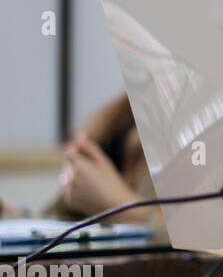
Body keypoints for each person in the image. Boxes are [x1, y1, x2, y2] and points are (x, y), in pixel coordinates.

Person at [0, 94, 158, 224]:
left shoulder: (171, 134)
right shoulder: (118, 118)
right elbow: (56, 223)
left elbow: (174, 234)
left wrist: (116, 205)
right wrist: (11, 214)